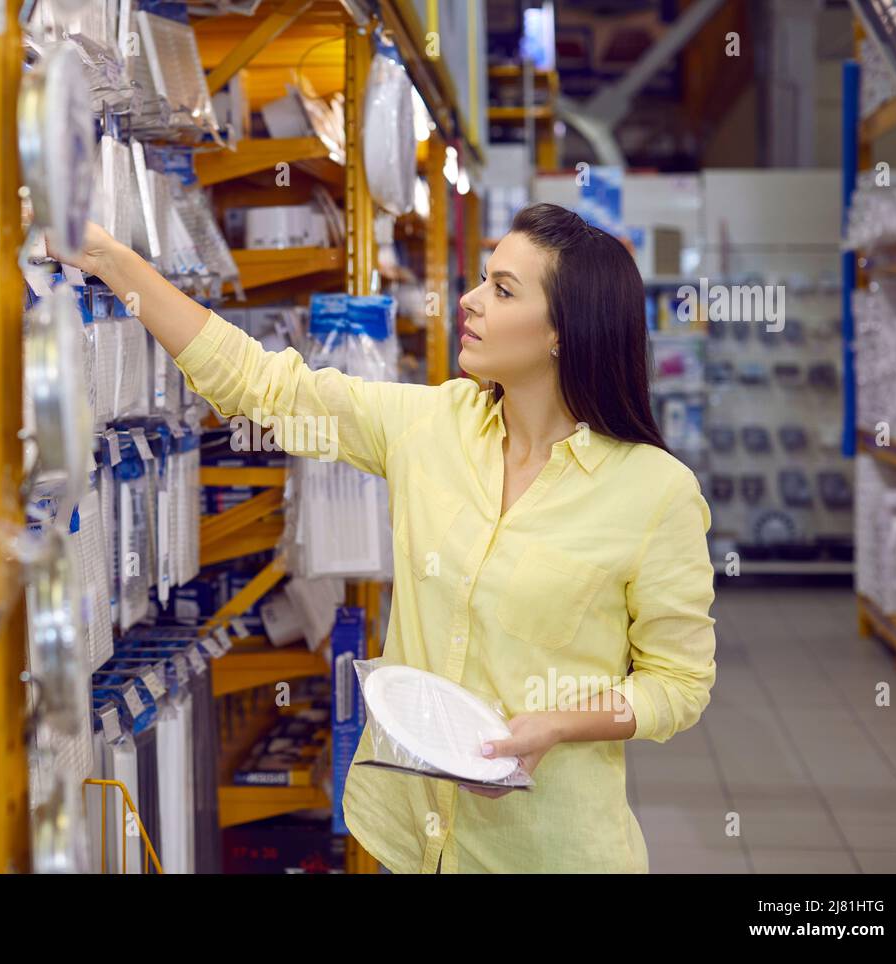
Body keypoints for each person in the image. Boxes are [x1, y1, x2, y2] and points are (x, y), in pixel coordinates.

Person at [54, 202, 717, 874]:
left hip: (546, 849)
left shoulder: (654, 493)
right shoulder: (431, 427)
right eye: (484, 279)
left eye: (503, 290)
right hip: (408, 837)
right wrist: (109, 257)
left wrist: (558, 725)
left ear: (563, 334)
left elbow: (679, 683)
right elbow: (260, 385)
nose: (470, 300)